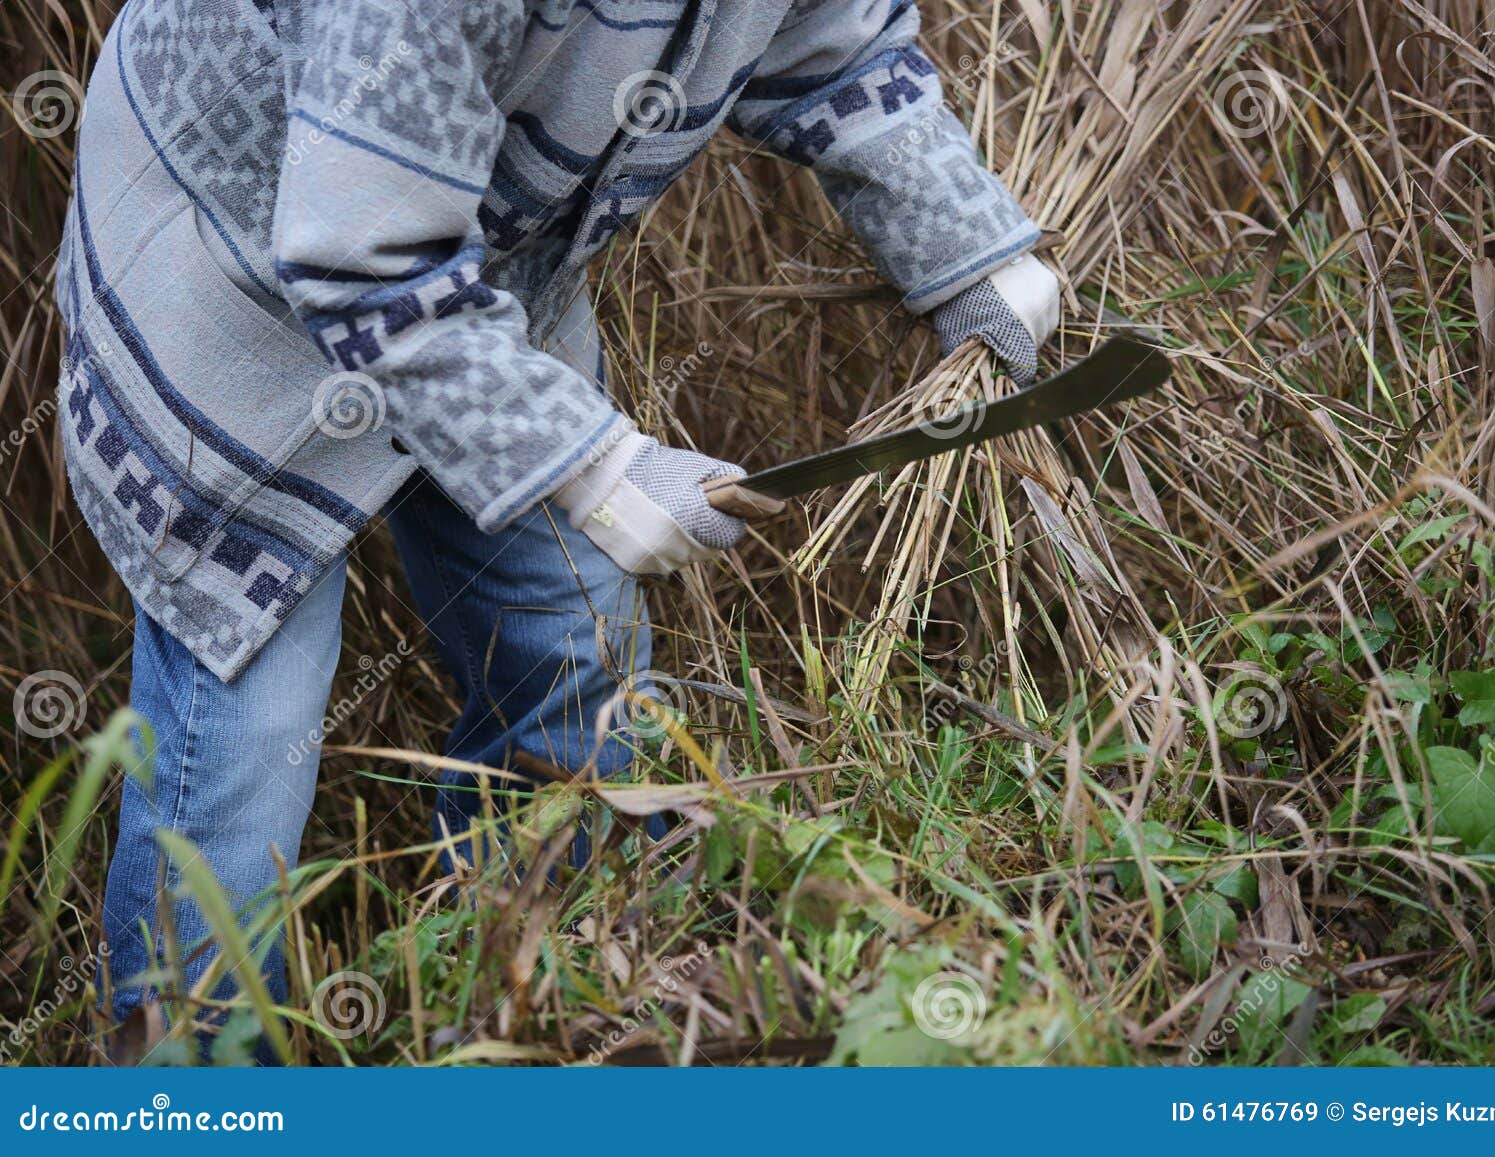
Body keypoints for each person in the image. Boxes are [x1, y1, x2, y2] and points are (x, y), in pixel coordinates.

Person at [57, 0, 1061, 1054]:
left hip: (485, 273)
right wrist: (595, 467)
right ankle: (185, 1089)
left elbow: (839, 46)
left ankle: (538, 1011)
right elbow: (364, 259)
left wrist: (963, 242)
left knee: (576, 654)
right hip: (241, 248)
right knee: (246, 742)